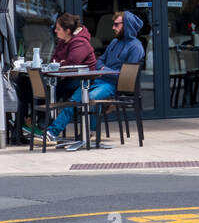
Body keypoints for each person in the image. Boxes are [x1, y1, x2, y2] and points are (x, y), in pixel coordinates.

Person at [41, 11, 144, 144]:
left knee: (90, 97)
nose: (113, 27)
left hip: (115, 85)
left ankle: (89, 131)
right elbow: (99, 60)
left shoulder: (136, 47)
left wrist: (104, 70)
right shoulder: (114, 42)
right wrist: (103, 69)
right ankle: (52, 132)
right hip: (99, 80)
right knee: (74, 99)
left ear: (128, 25)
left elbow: (127, 75)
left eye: (116, 24)